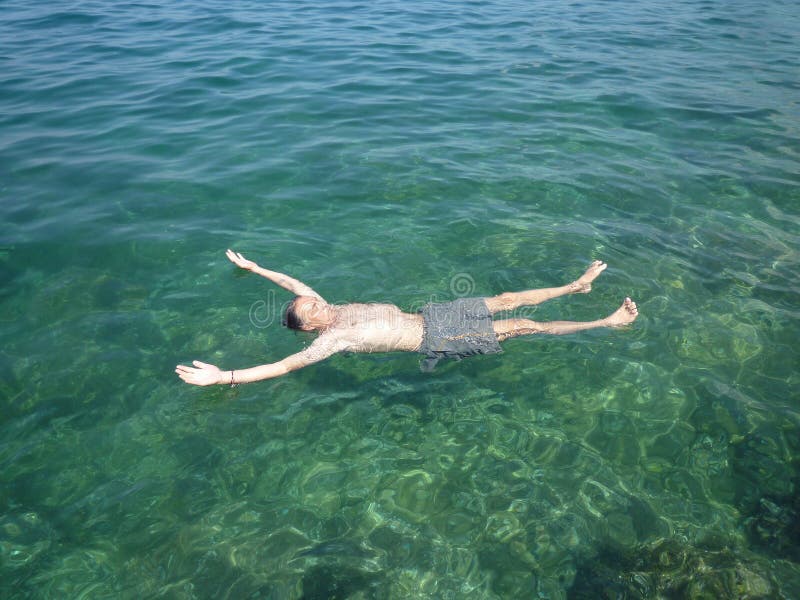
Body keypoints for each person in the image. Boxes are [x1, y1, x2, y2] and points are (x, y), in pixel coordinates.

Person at [175, 249, 639, 386]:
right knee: (526, 326)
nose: (314, 302)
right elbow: (281, 366)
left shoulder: (325, 306)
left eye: (312, 301)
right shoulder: (330, 339)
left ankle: (575, 286)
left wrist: (256, 269)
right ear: (309, 327)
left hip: (433, 314)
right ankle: (607, 322)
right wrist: (224, 377)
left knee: (507, 298)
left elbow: (294, 284)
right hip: (436, 340)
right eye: (310, 310)